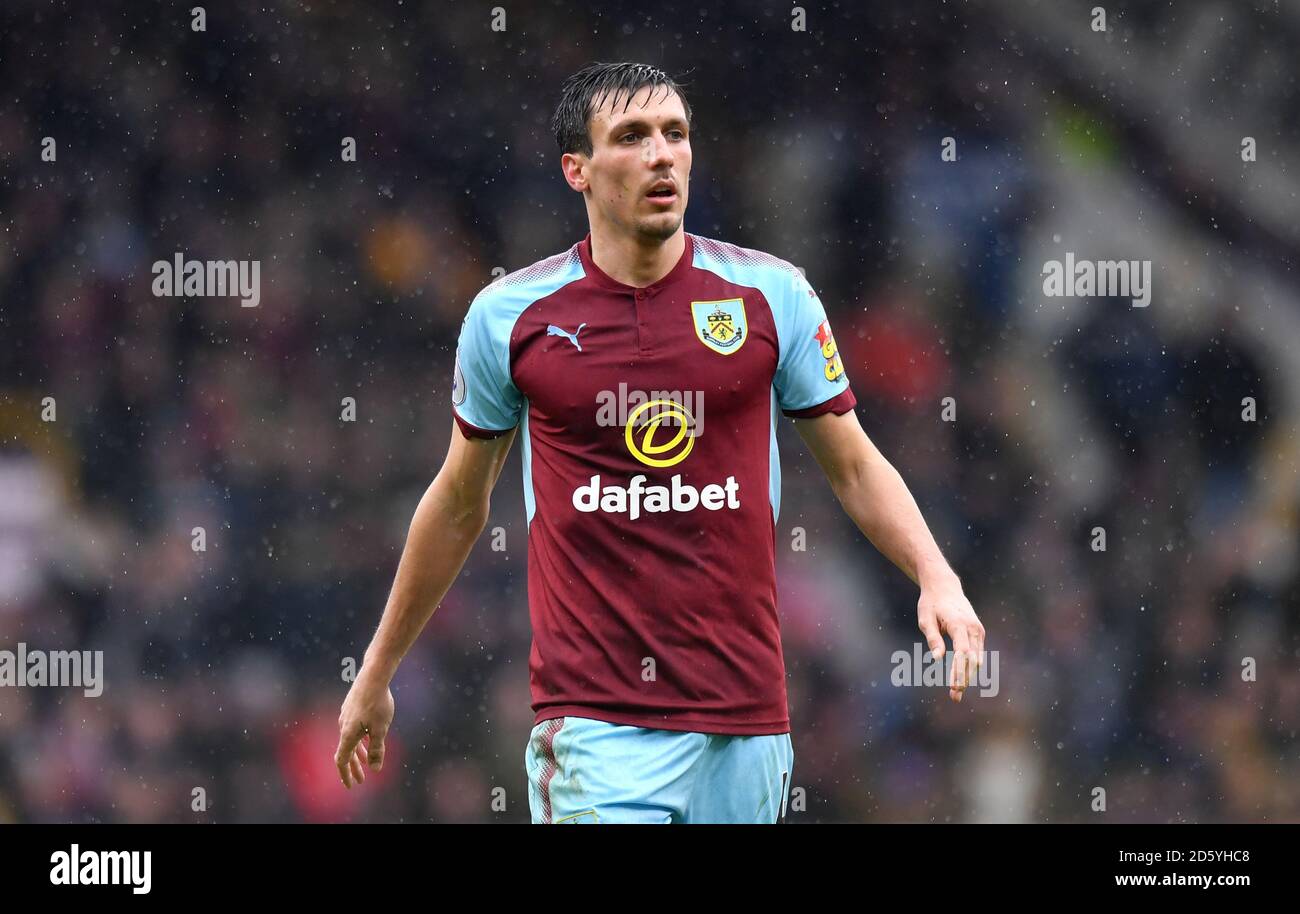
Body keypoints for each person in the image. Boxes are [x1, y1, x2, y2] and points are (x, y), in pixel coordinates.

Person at [335, 61, 985, 824]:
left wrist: (936, 575)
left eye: (675, 134)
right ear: (576, 169)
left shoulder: (771, 295)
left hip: (747, 724)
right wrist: (377, 669)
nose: (661, 155)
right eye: (632, 137)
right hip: (597, 726)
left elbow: (855, 466)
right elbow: (456, 503)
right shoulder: (510, 316)